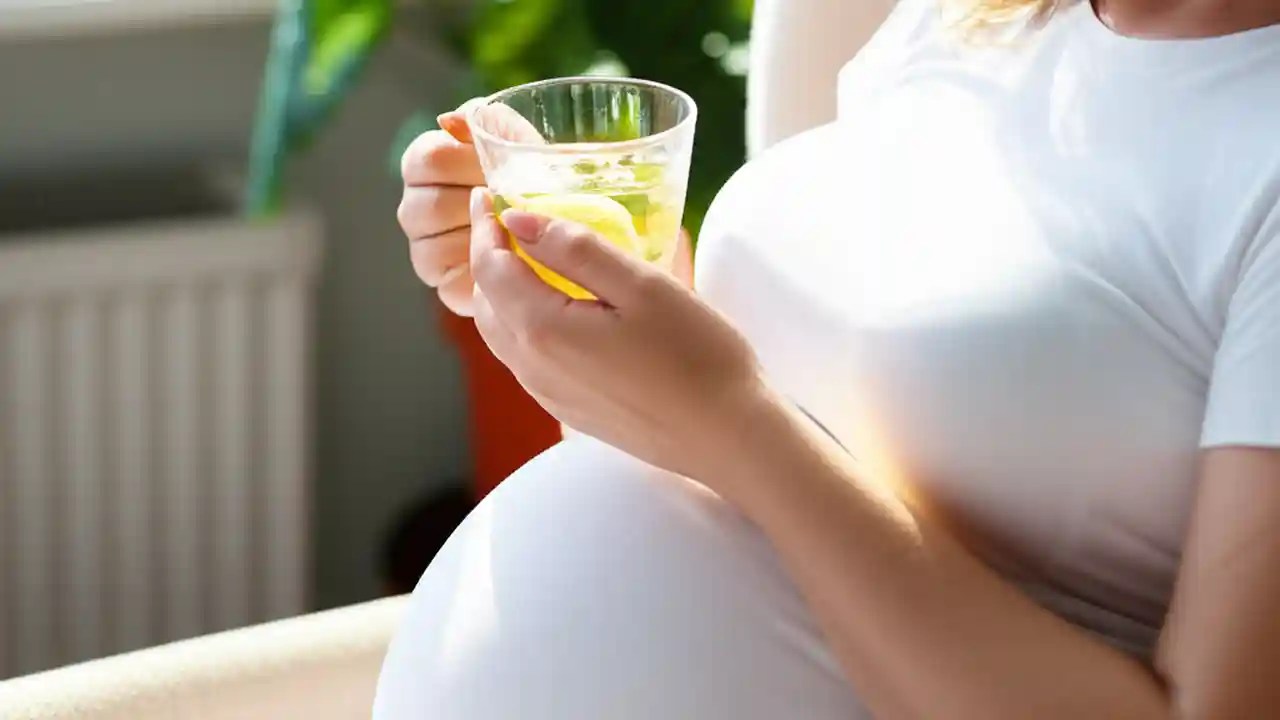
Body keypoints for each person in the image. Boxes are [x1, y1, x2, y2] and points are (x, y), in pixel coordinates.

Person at [376, 0, 1280, 715]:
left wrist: (727, 421)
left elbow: (749, 427)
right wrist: (565, 272)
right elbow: (831, 389)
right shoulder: (977, 15)